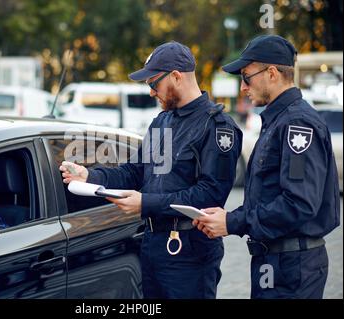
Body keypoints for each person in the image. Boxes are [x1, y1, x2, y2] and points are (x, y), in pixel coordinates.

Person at [60, 41, 242, 299]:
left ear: (177, 77)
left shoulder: (217, 126)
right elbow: (134, 173)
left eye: (153, 83)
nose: (151, 92)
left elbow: (209, 196)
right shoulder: (161, 122)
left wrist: (146, 203)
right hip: (153, 244)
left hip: (191, 250)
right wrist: (90, 175)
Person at [194, 35, 340, 299]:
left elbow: (298, 204)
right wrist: (228, 217)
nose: (242, 87)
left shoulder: (298, 125)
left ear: (271, 73)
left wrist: (232, 221)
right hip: (274, 261)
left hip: (292, 266)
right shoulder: (278, 120)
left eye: (246, 76)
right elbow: (269, 195)